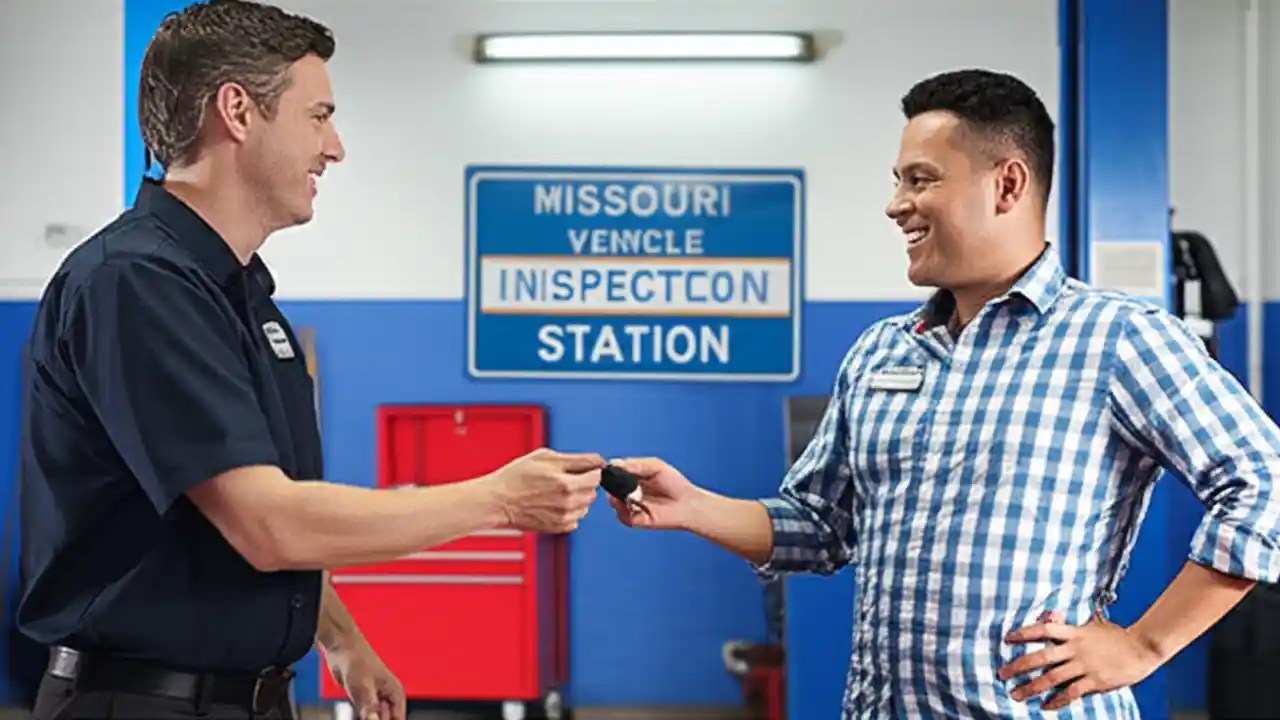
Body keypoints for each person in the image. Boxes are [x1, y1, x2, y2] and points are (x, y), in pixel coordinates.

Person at [607, 68, 1280, 719]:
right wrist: (694, 507)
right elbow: (818, 524)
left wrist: (1144, 645)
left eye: (920, 179)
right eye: (898, 181)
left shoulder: (1118, 340)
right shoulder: (881, 352)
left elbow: (1265, 480)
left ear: (1007, 184)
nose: (896, 203)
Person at [16, 2, 604, 719]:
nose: (335, 147)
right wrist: (499, 499)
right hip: (140, 702)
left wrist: (342, 639)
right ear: (237, 110)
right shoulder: (134, 283)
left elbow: (246, 516)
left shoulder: (241, 297)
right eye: (318, 115)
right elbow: (270, 525)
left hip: (249, 699)